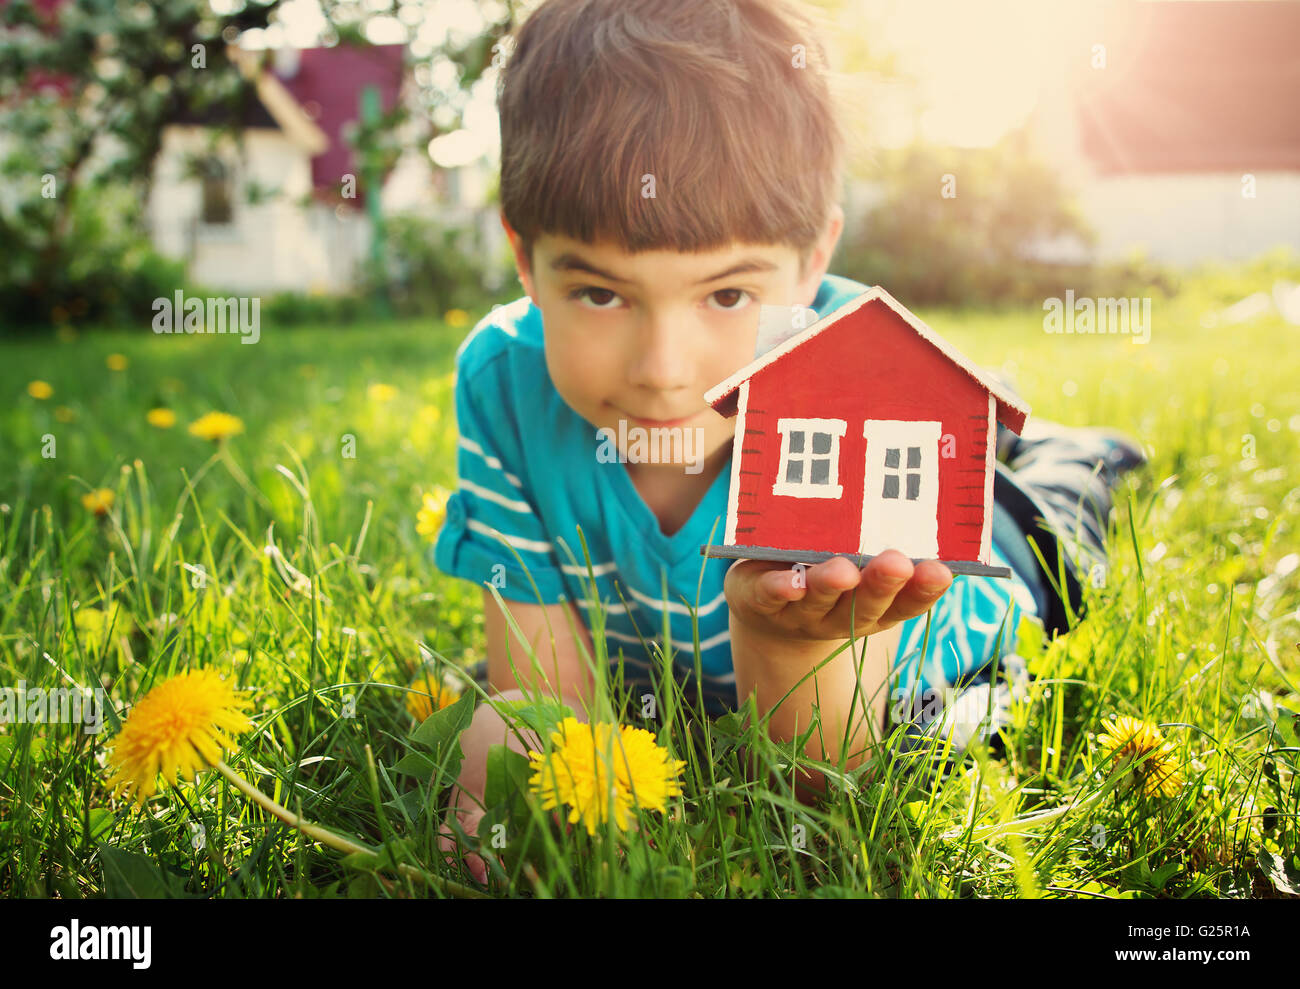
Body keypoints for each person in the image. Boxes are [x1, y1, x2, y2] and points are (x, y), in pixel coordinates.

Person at [430, 0, 1144, 884]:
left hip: (954, 615)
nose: (662, 369)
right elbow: (550, 697)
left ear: (814, 262)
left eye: (727, 296)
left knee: (1050, 510)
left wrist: (802, 647)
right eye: (600, 294)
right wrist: (513, 753)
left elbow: (818, 778)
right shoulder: (504, 383)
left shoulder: (855, 382)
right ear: (523, 258)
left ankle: (1080, 453)